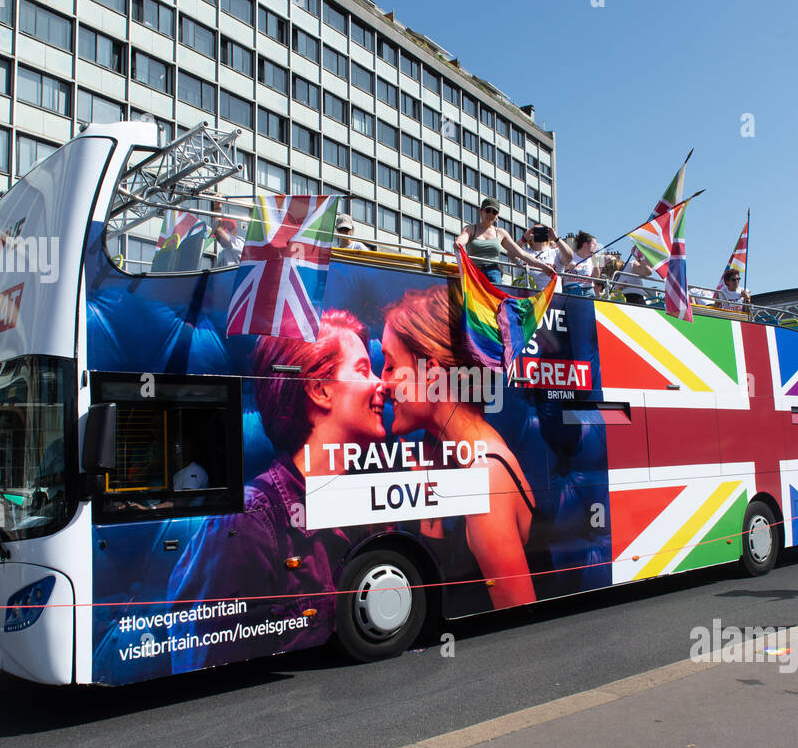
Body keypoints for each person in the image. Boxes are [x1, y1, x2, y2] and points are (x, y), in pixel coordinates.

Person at [165, 309, 387, 669]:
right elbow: (209, 659)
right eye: (363, 370)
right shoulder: (248, 524)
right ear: (319, 390)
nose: (382, 384)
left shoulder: (368, 499)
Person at [381, 285, 539, 610]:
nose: (382, 384)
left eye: (390, 365)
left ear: (431, 374)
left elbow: (517, 615)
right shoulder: (441, 454)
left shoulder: (488, 474)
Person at [455, 198, 555, 286]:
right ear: (481, 211)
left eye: (494, 212)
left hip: (493, 272)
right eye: (488, 210)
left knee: (494, 304)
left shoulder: (500, 233)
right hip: (474, 271)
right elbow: (462, 238)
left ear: (497, 216)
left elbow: (521, 253)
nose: (490, 214)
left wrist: (543, 267)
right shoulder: (471, 228)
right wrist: (458, 243)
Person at [518, 223, 573, 292]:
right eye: (536, 232)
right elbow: (511, 252)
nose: (539, 234)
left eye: (543, 232)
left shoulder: (556, 252)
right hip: (527, 297)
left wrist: (556, 238)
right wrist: (524, 238)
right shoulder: (523, 252)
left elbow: (569, 256)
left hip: (551, 297)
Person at [561, 231, 601, 298]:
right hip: (571, 289)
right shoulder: (571, 256)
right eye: (594, 244)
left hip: (588, 290)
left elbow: (596, 276)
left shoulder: (593, 259)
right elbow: (560, 269)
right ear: (585, 244)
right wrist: (568, 267)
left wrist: (596, 264)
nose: (596, 247)